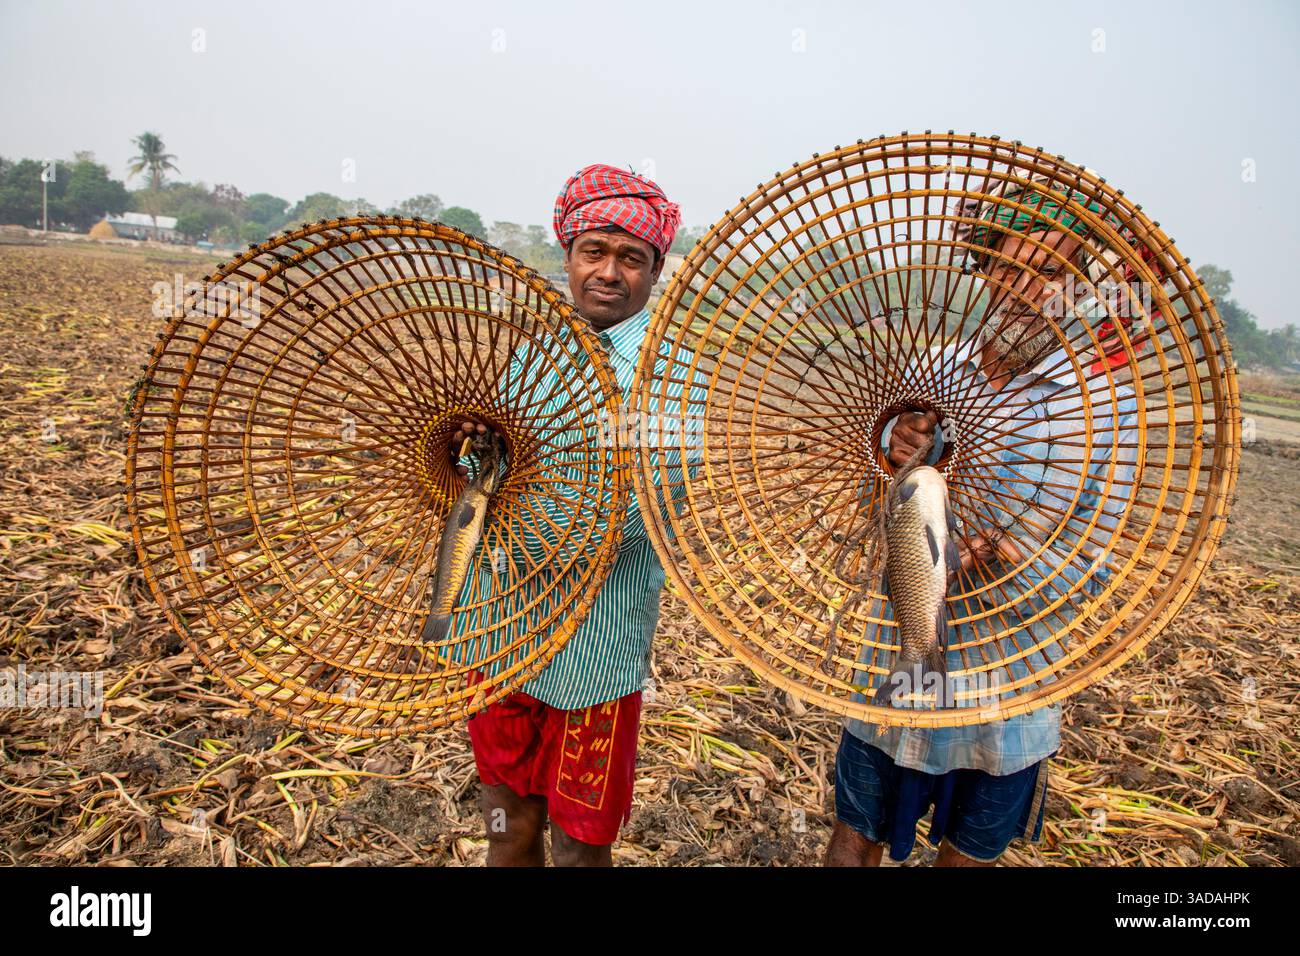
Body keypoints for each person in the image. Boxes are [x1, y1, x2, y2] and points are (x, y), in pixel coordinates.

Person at [826, 180, 1140, 866]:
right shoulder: (931, 377)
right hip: (899, 666)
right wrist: (888, 465)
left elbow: (1097, 570)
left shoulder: (1100, 412)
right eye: (1010, 266)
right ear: (984, 268)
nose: (1026, 289)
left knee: (967, 854)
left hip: (1009, 690)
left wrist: (1005, 551)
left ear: (1079, 288)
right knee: (853, 838)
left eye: (1052, 273)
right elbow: (867, 520)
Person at [447, 164, 701, 866]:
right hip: (498, 635)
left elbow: (619, 521)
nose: (609, 272)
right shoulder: (532, 361)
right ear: (567, 257)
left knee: (580, 847)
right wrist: (465, 454)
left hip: (593, 650)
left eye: (631, 258)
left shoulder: (673, 379)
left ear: (654, 272)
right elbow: (475, 491)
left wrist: (511, 509)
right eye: (594, 251)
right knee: (506, 824)